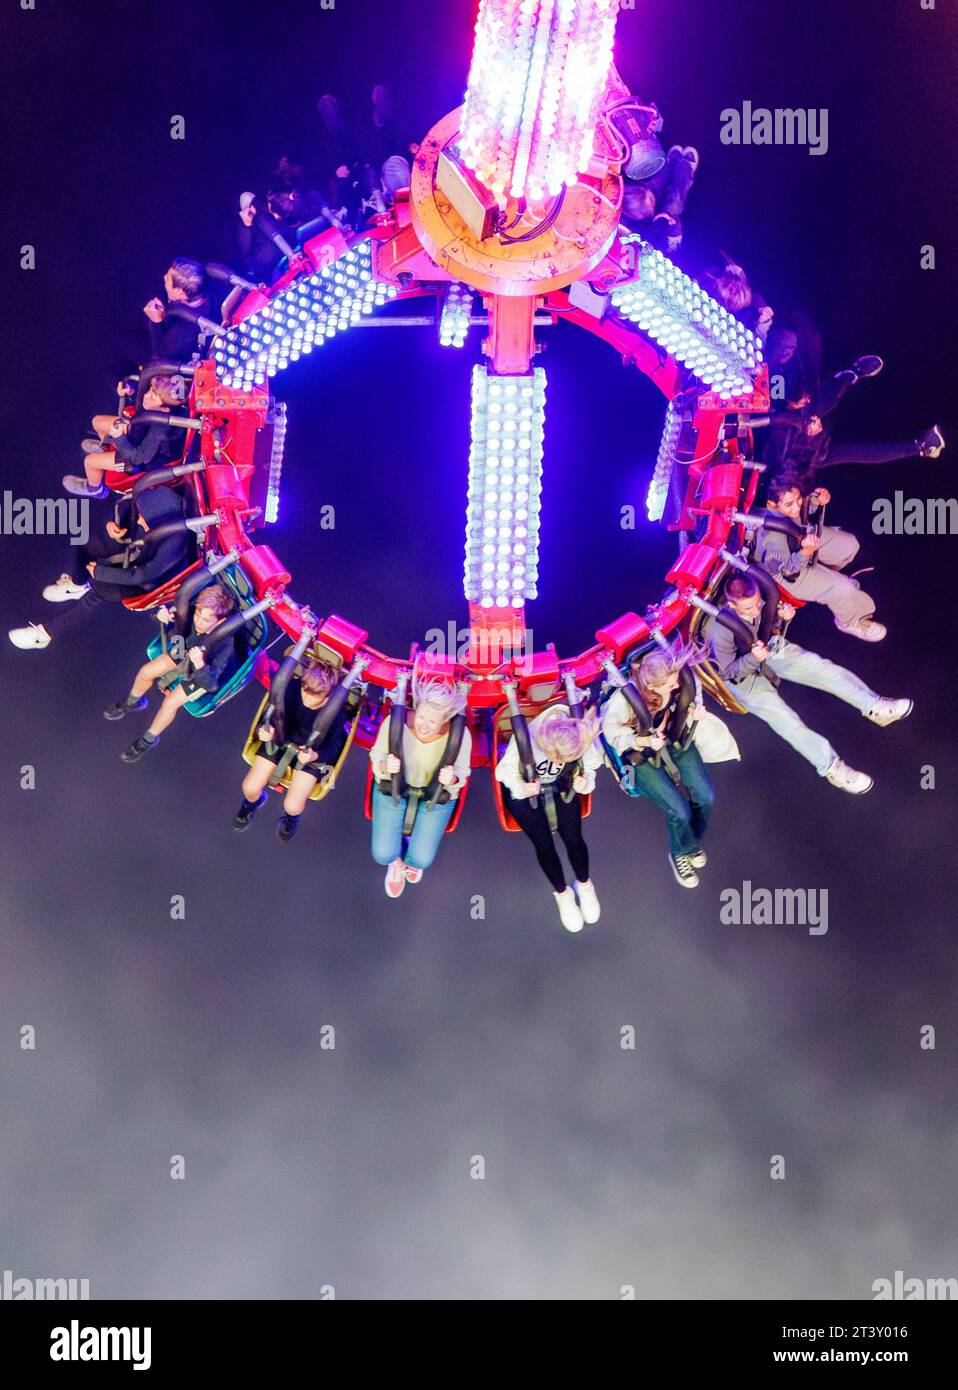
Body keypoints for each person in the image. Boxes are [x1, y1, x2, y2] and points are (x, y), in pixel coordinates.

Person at [706, 574, 912, 792]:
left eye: (757, 603)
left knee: (819, 668)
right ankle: (833, 768)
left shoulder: (760, 600)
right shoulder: (718, 631)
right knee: (785, 720)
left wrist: (782, 617)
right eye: (748, 609)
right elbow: (729, 673)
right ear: (731, 604)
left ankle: (874, 706)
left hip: (767, 646)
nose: (756, 610)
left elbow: (770, 622)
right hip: (742, 678)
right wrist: (752, 658)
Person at [9, 486, 192, 649]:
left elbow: (144, 575)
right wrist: (113, 522)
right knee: (89, 545)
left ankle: (43, 634)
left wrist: (100, 572)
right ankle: (79, 585)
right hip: (138, 551)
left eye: (144, 518)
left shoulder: (174, 544)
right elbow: (132, 507)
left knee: (98, 589)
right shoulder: (158, 518)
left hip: (142, 582)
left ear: (158, 521)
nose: (139, 521)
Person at [601, 642, 716, 890]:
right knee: (680, 811)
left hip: (671, 736)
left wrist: (695, 706)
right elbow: (611, 734)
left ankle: (687, 844)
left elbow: (691, 686)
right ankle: (680, 854)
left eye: (674, 681)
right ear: (651, 686)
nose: (675, 686)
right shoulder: (623, 701)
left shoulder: (672, 679)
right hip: (638, 753)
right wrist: (640, 740)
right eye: (669, 685)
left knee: (705, 795)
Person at [98, 582, 236, 763]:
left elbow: (210, 683)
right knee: (146, 671)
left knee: (170, 702)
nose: (199, 622)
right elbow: (166, 618)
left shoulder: (225, 643)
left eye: (206, 620)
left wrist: (200, 664)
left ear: (221, 621)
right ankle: (133, 701)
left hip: (201, 672)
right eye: (198, 615)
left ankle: (148, 740)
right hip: (182, 651)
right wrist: (161, 615)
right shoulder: (191, 613)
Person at [495, 704, 604, 932]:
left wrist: (586, 782)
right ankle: (562, 894)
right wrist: (521, 788)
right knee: (543, 842)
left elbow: (592, 765)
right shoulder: (528, 737)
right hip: (526, 784)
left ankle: (584, 884)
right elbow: (503, 772)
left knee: (573, 837)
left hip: (562, 784)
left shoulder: (580, 734)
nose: (556, 761)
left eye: (562, 758)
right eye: (553, 756)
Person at [369, 676, 472, 897]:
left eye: (432, 722)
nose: (424, 726)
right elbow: (376, 755)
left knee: (422, 859)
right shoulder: (395, 723)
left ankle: (410, 859)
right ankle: (395, 862)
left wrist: (452, 778)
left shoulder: (461, 736)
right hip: (393, 786)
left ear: (445, 719)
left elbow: (464, 772)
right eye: (421, 717)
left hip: (435, 794)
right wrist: (385, 764)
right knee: (383, 854)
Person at [753, 476, 885, 641]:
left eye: (798, 500)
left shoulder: (786, 500)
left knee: (849, 546)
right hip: (788, 573)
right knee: (843, 590)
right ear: (771, 504)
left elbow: (799, 514)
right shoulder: (769, 538)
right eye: (789, 504)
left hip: (800, 537)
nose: (796, 507)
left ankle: (830, 581)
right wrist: (806, 552)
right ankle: (850, 620)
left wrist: (814, 501)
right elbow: (790, 572)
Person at [233, 660, 352, 841]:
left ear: (328, 696)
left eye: (316, 696)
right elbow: (271, 714)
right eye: (306, 692)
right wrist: (265, 731)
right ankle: (252, 803)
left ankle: (290, 818)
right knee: (249, 787)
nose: (308, 700)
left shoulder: (337, 713)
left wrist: (315, 755)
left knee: (293, 805)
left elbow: (334, 749)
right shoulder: (292, 689)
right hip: (281, 739)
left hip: (311, 755)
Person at [63, 374, 188, 499]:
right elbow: (143, 398)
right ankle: (105, 448)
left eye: (153, 396)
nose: (146, 395)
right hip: (137, 432)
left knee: (89, 461)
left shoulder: (161, 433)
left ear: (165, 409)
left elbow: (137, 458)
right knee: (97, 422)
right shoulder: (165, 405)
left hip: (136, 459)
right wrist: (129, 392)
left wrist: (119, 438)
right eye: (150, 389)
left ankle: (95, 489)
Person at [142, 259, 214, 365]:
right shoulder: (211, 297)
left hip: (174, 358)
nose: (164, 278)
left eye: (168, 280)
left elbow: (160, 358)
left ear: (181, 292)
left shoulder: (183, 331)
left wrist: (155, 322)